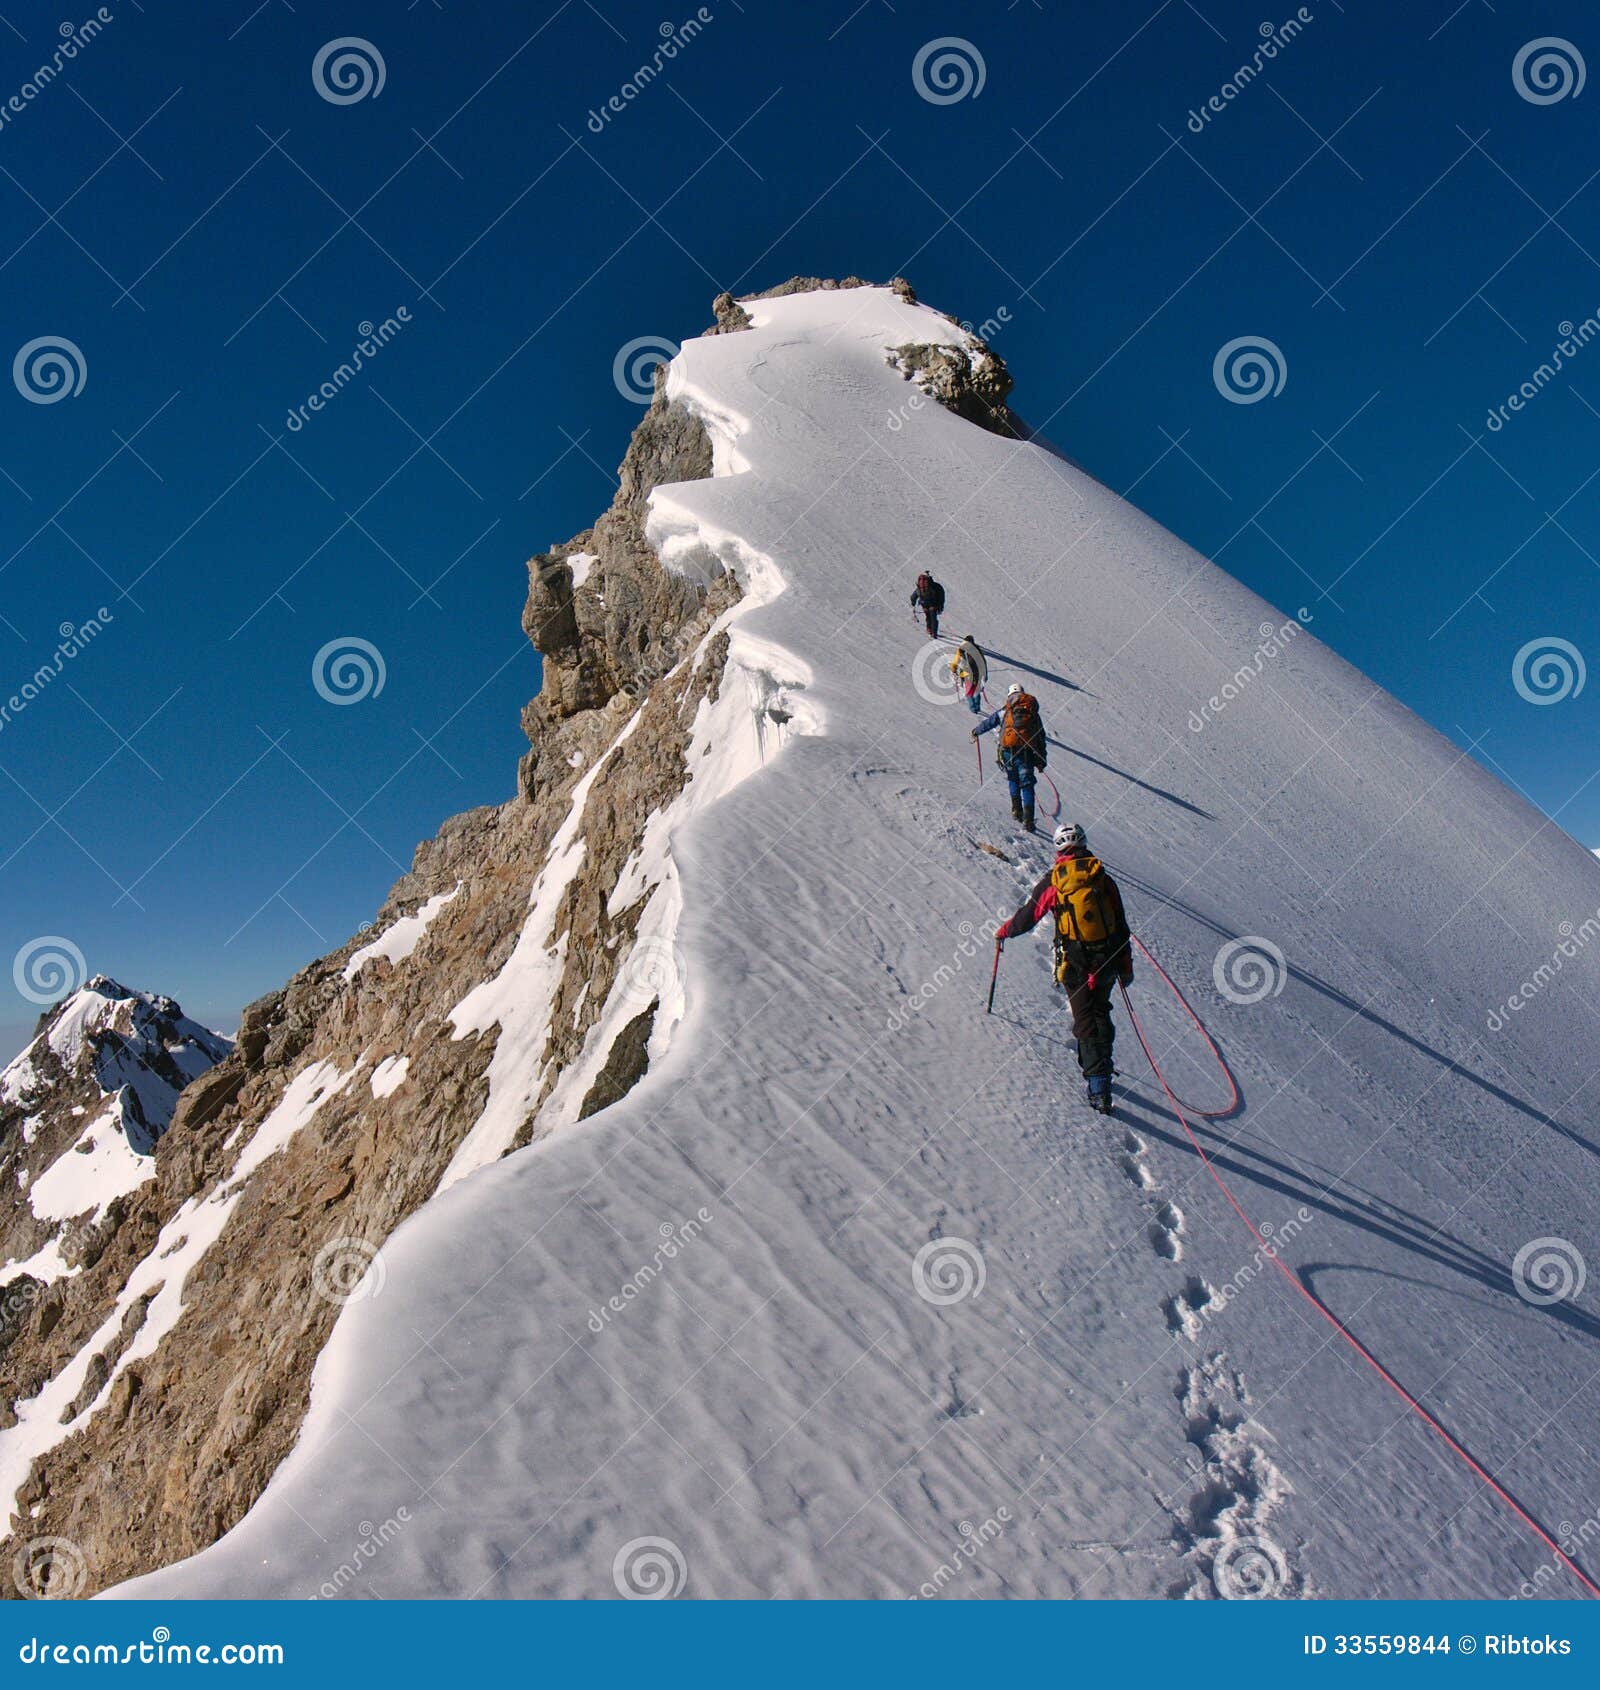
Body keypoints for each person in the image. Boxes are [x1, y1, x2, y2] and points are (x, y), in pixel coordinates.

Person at [994, 824, 1132, 1114]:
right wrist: (1125, 966)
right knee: (1100, 1010)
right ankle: (1098, 1065)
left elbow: (1029, 916)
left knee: (1085, 1019)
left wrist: (1004, 931)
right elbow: (1120, 925)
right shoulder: (1102, 878)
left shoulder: (1056, 881)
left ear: (1058, 849)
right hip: (1107, 958)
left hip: (1075, 963)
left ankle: (1098, 1087)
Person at [972, 681, 1046, 831]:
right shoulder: (1033, 714)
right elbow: (1040, 738)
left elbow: (989, 723)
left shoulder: (1005, 711)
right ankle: (1028, 819)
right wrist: (1041, 760)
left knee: (1013, 778)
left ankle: (1016, 810)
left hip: (1007, 752)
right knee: (1027, 785)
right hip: (1026, 754)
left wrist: (976, 731)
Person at [950, 634, 987, 714]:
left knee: (969, 692)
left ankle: (973, 708)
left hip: (967, 673)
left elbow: (956, 661)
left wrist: (953, 670)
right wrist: (985, 674)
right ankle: (977, 707)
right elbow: (983, 661)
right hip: (978, 673)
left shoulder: (961, 649)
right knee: (976, 690)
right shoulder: (977, 648)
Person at [910, 571, 945, 638]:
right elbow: (941, 595)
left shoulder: (920, 587)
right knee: (933, 618)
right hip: (934, 604)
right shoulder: (936, 586)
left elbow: (913, 596)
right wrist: (941, 605)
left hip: (924, 604)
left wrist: (913, 603)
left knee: (928, 617)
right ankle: (934, 633)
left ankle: (929, 629)